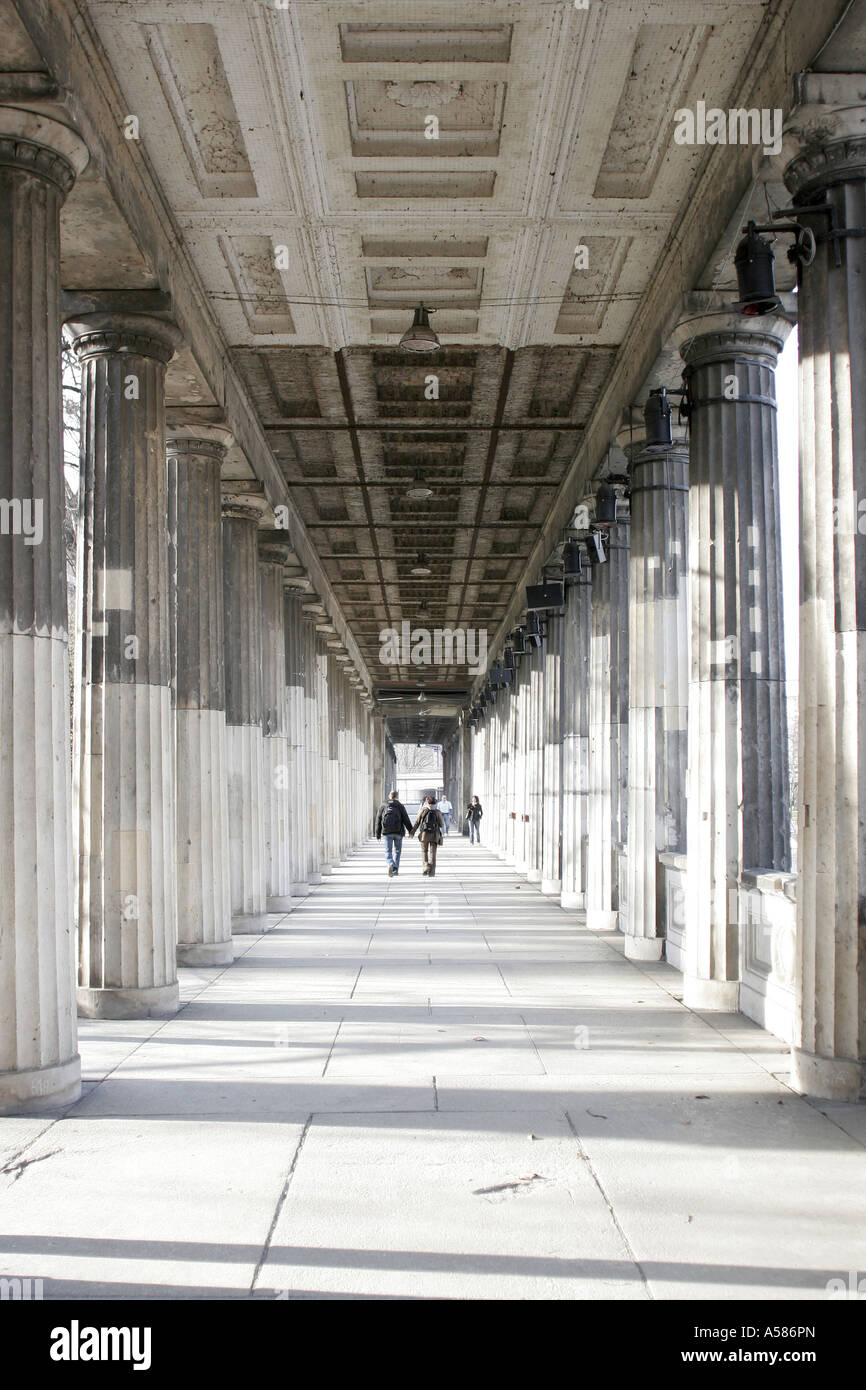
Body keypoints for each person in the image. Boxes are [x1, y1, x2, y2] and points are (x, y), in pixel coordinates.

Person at [375, 789, 413, 877]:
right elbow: (406, 819)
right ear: (397, 797)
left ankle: (390, 864)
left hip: (387, 832)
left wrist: (377, 834)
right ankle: (395, 870)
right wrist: (411, 831)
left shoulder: (384, 805)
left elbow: (378, 819)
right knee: (397, 851)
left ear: (389, 796)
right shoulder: (400, 805)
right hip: (398, 832)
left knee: (388, 851)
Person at [412, 795, 444, 877]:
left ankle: (425, 867)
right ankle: (432, 872)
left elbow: (417, 822)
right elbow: (441, 825)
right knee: (433, 853)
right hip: (434, 835)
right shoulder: (437, 812)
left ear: (427, 802)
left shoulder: (423, 810)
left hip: (424, 835)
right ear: (435, 803)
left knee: (424, 852)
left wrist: (412, 832)